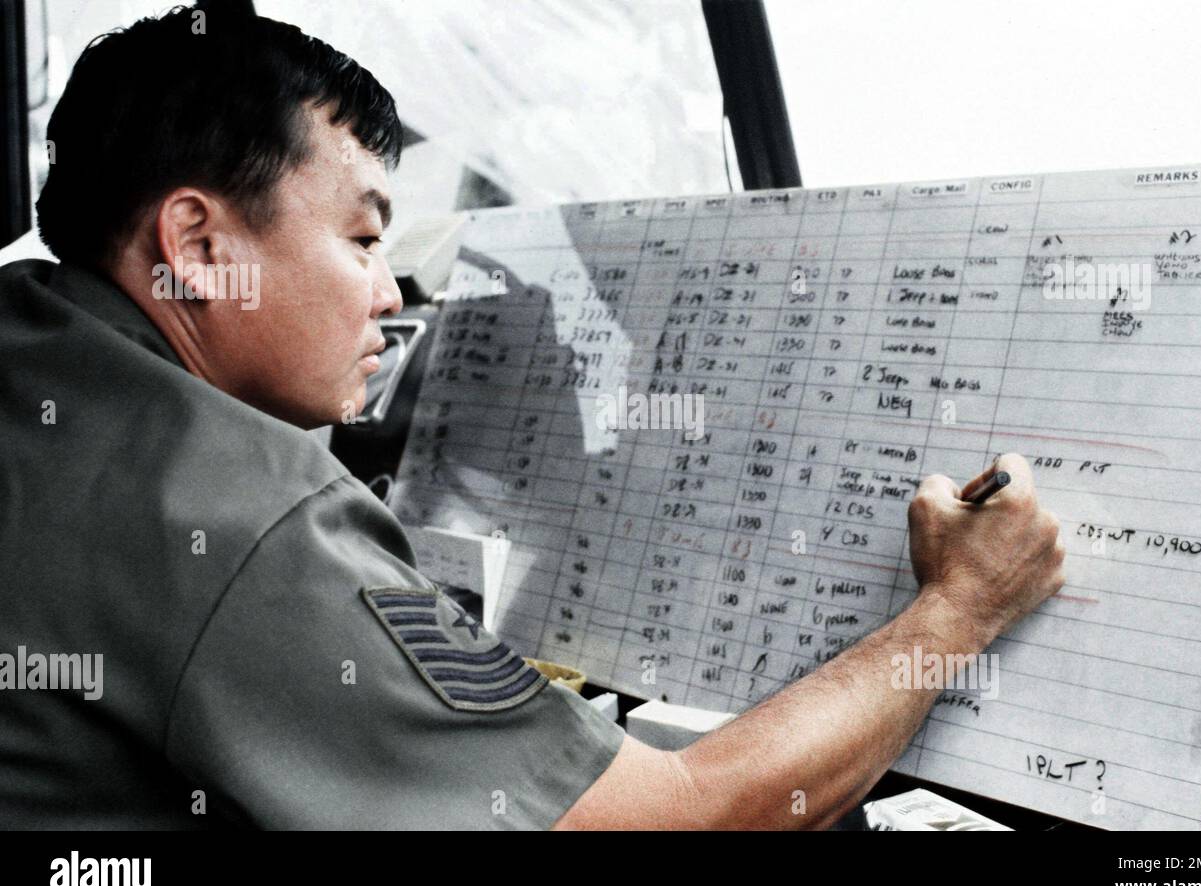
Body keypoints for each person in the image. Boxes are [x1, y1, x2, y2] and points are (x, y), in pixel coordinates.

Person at [0, 7, 1065, 830]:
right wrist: (959, 612)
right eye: (364, 240)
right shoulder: (237, 511)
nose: (389, 296)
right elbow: (681, 823)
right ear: (196, 246)